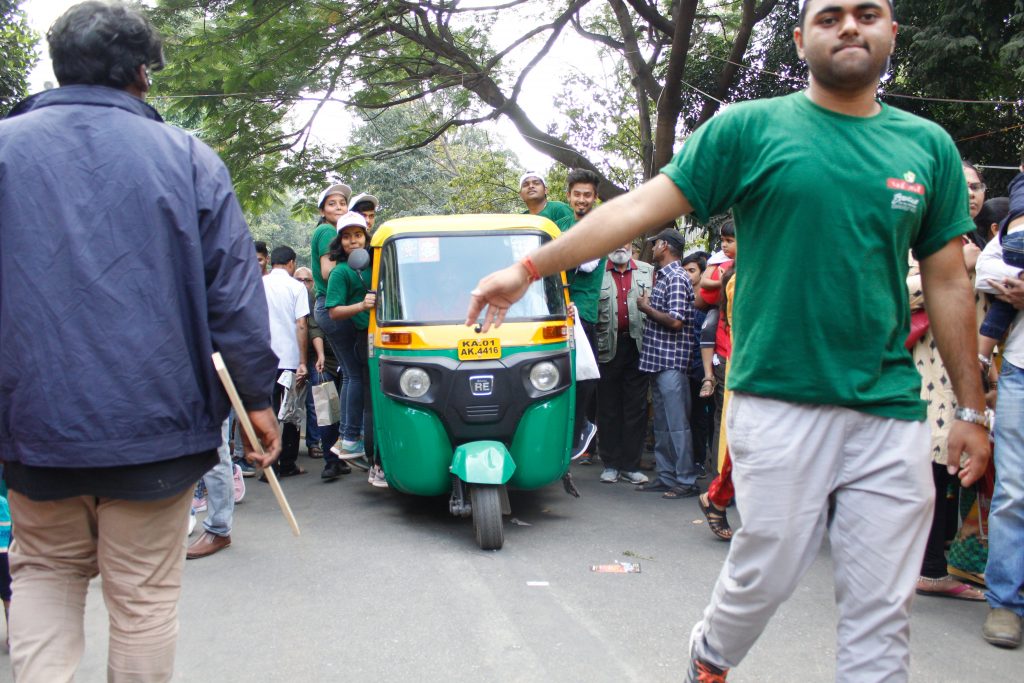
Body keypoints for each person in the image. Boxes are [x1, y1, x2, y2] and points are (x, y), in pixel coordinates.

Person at [465, 1, 990, 679]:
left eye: (868, 13)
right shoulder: (748, 128)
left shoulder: (927, 146)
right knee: (768, 567)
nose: (851, 26)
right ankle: (711, 654)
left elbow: (949, 282)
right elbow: (636, 207)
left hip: (889, 408)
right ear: (801, 40)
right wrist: (528, 266)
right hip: (776, 398)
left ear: (893, 31)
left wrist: (972, 411)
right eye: (830, 16)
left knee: (881, 612)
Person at [0, 3, 281, 679]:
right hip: (155, 428)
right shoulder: (189, 158)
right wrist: (257, 398)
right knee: (144, 598)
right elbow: (235, 299)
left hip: (32, 425)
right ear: (140, 74)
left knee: (42, 572)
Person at [976, 167, 1024, 649]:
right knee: (1014, 492)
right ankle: (1006, 603)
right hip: (1020, 370)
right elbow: (995, 268)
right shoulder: (1018, 212)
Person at [633, 229, 698, 499]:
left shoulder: (677, 277)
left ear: (666, 246)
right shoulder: (663, 276)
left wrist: (646, 309)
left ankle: (686, 480)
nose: (653, 249)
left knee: (678, 424)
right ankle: (667, 475)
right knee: (661, 423)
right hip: (657, 361)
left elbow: (676, 321)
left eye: (656, 244)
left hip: (671, 362)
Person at [325, 212, 381, 484]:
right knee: (370, 399)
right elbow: (334, 311)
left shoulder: (379, 262)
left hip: (385, 336)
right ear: (340, 242)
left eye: (357, 235)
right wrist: (362, 306)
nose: (353, 241)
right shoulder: (341, 272)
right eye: (347, 237)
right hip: (363, 338)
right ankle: (371, 456)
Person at [595, 242, 653, 485]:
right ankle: (610, 464)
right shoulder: (597, 271)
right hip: (606, 347)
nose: (620, 245)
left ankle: (630, 465)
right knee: (607, 407)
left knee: (636, 407)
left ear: (632, 243)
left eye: (625, 239)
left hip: (637, 347)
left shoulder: (647, 270)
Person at [262, 245, 310, 478]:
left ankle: (268, 467)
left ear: (272, 262)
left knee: (267, 411)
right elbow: (301, 324)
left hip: (263, 360)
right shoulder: (296, 287)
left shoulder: (258, 284)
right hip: (289, 359)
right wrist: (303, 361)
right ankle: (288, 464)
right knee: (291, 411)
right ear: (291, 263)